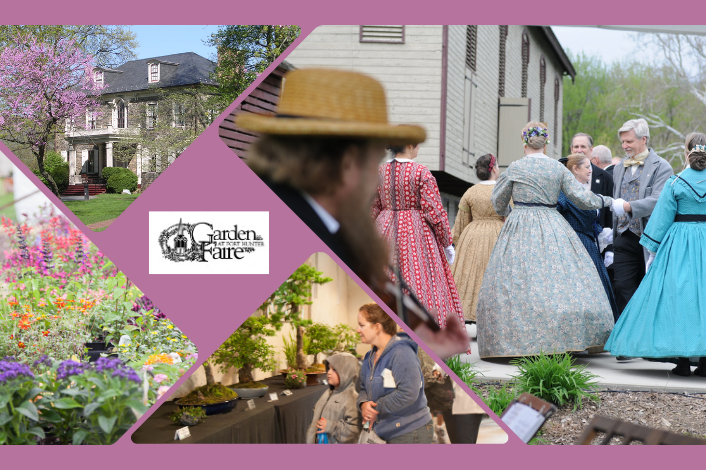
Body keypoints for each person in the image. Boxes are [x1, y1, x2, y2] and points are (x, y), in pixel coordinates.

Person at [237, 68, 470, 359]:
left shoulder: (334, 226)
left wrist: (426, 339)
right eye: (374, 161)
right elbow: (434, 211)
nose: (376, 176)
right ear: (349, 163)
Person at [475, 121, 620, 358]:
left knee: (517, 283)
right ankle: (559, 340)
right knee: (556, 283)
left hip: (519, 222)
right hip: (553, 224)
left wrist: (510, 214)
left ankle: (516, 342)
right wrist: (608, 201)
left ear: (524, 143)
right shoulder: (557, 168)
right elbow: (582, 198)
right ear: (547, 143)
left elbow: (498, 201)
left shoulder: (515, 168)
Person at [605, 132, 706, 376]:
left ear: (687, 153)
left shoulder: (676, 182)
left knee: (678, 299)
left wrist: (651, 249)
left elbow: (661, 219)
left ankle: (682, 362)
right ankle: (703, 364)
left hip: (679, 244)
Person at [372, 139, 464, 330]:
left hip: (384, 230)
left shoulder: (380, 172)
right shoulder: (421, 172)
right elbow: (435, 211)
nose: (419, 148)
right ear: (409, 146)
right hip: (416, 233)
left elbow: (372, 207)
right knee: (419, 282)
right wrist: (447, 242)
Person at [610, 119, 673, 361]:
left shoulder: (662, 167)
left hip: (650, 238)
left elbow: (659, 200)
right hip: (624, 236)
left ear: (643, 139)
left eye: (629, 141)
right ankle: (627, 344)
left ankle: (649, 344)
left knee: (649, 288)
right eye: (622, 141)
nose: (624, 146)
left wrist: (628, 206)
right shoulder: (619, 168)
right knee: (623, 286)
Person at [356, 303, 434, 444]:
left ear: (377, 327)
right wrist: (363, 404)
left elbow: (408, 393)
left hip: (409, 431)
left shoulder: (401, 353)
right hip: (386, 431)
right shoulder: (369, 357)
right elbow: (363, 388)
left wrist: (375, 408)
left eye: (362, 325)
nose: (357, 330)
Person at [558, 154, 619, 321]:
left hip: (589, 244)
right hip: (575, 245)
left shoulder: (582, 190)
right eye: (587, 167)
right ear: (575, 169)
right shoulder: (565, 192)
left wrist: (604, 235)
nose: (591, 170)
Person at [450, 153, 504, 323]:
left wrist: (456, 243)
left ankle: (467, 313)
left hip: (472, 236)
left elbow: (460, 223)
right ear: (494, 169)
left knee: (469, 275)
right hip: (497, 234)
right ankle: (495, 314)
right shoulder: (503, 191)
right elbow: (510, 218)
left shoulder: (470, 192)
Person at [306, 352, 362, 444]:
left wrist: (331, 426)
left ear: (347, 372)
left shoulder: (352, 399)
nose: (329, 372)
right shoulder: (328, 394)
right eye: (329, 368)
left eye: (335, 369)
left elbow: (355, 431)